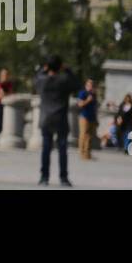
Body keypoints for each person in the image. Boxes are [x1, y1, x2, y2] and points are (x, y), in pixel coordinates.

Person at [35, 56, 76, 186]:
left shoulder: (42, 81)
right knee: (62, 149)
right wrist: (68, 69)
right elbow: (77, 84)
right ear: (60, 67)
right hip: (60, 118)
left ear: (47, 67)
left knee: (46, 149)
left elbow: (35, 79)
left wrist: (43, 69)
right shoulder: (64, 80)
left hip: (46, 118)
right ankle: (63, 178)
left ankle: (44, 177)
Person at [77, 78, 98, 160]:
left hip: (92, 117)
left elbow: (95, 107)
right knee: (83, 134)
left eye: (92, 85)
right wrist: (87, 100)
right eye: (89, 85)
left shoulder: (93, 94)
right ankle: (82, 153)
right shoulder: (82, 93)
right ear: (86, 85)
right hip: (84, 116)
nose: (91, 87)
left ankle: (88, 153)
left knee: (90, 136)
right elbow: (80, 104)